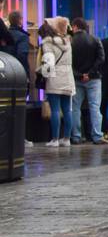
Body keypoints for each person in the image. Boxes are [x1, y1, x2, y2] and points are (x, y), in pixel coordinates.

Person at [38, 17, 75, 147]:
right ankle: (67, 139)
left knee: (54, 110)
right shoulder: (68, 42)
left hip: (54, 78)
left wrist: (42, 74)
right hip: (68, 77)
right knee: (67, 110)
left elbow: (48, 64)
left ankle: (54, 139)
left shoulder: (48, 42)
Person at [69, 17, 106, 145]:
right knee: (95, 107)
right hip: (94, 79)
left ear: (75, 26)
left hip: (76, 79)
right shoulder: (95, 40)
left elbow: (69, 62)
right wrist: (89, 74)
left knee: (75, 108)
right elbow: (101, 58)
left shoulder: (70, 42)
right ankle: (96, 135)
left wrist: (80, 75)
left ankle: (76, 136)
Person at [1, 11, 29, 77]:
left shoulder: (3, 35)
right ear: (20, 20)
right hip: (18, 72)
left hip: (4, 70)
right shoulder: (23, 36)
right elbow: (22, 56)